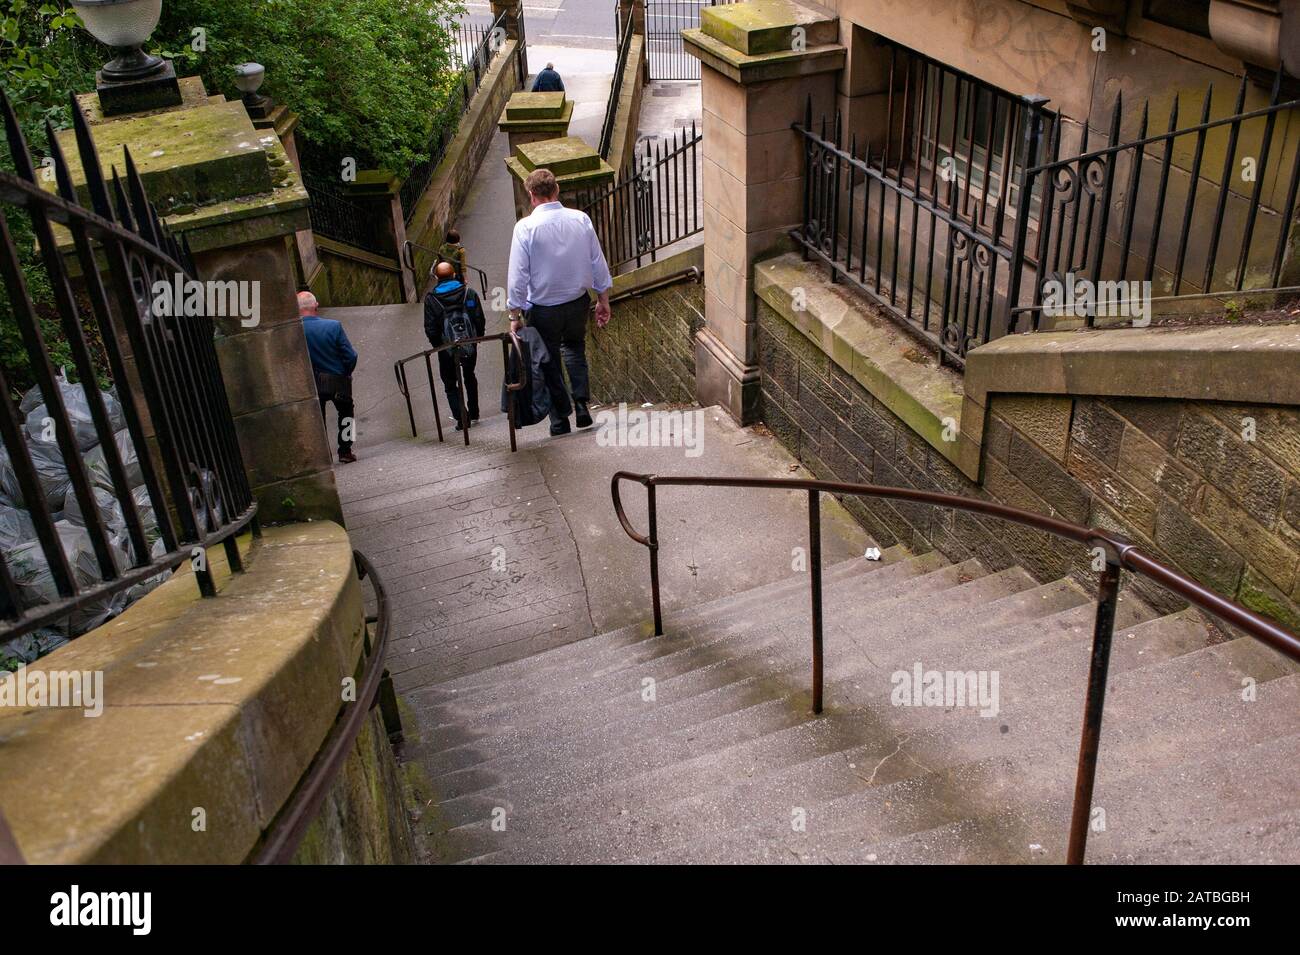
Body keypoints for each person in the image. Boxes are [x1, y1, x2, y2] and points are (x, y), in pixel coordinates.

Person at [507, 167, 612, 436]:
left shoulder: (525, 228)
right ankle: (581, 406)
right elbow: (596, 260)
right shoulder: (580, 219)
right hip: (577, 302)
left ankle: (559, 420)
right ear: (556, 190)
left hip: (543, 308)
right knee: (575, 350)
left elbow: (518, 274)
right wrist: (603, 298)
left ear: (531, 195)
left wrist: (514, 314)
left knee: (549, 360)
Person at [423, 260, 487, 429]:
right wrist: (478, 337)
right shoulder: (469, 293)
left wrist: (439, 346)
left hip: (446, 347)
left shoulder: (431, 300)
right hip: (468, 343)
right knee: (469, 375)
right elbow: (478, 317)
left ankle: (462, 418)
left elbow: (430, 328)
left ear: (436, 277)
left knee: (450, 383)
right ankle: (474, 412)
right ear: (453, 275)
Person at [298, 290, 358, 464]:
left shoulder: (295, 332)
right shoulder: (333, 326)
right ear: (316, 305)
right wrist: (346, 372)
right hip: (337, 379)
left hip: (310, 382)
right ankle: (345, 450)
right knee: (347, 413)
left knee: (317, 419)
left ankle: (323, 455)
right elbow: (351, 356)